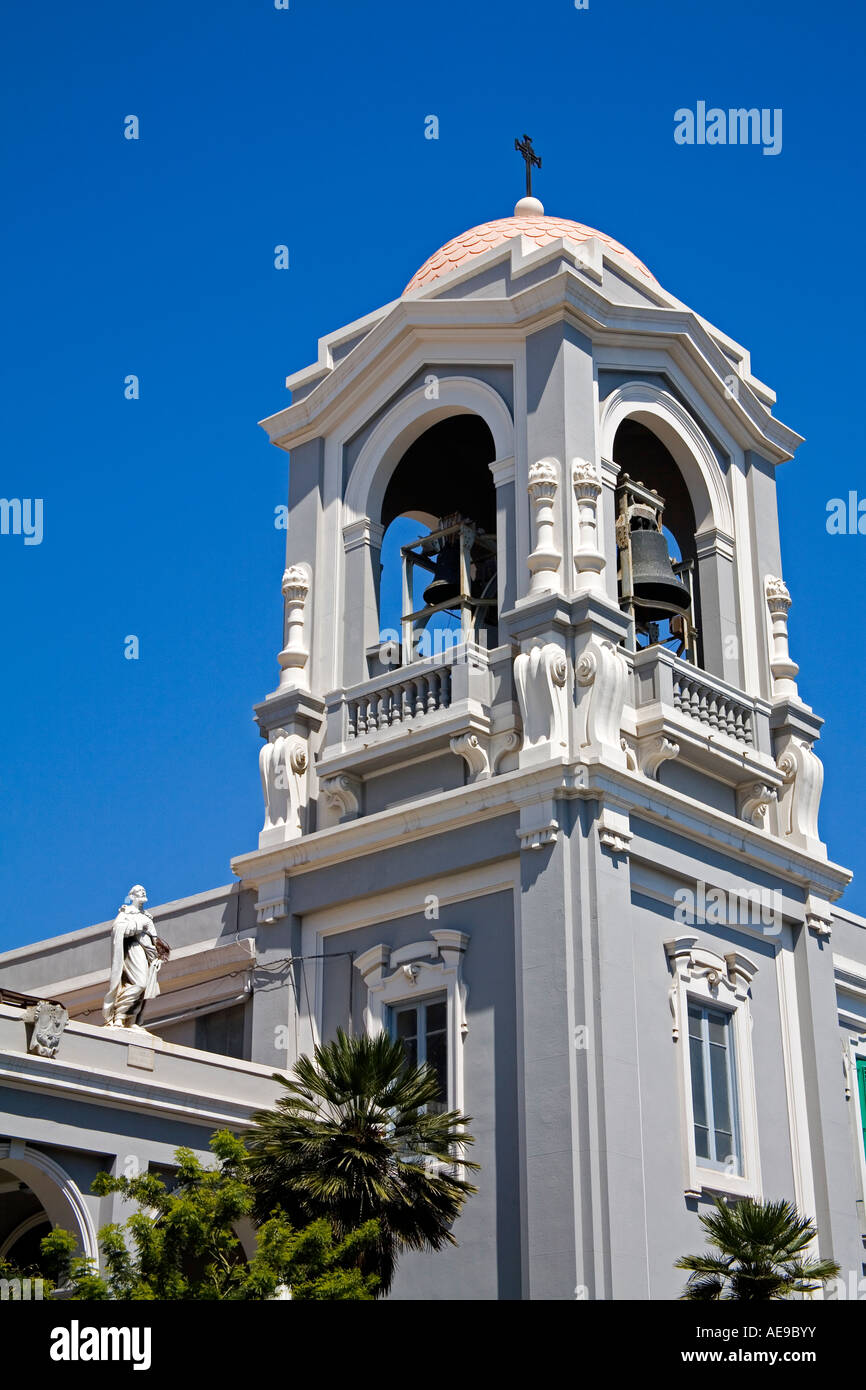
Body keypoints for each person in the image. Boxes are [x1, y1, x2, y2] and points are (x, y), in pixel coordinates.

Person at [102, 885, 167, 1030]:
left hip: (147, 954)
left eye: (144, 891)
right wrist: (139, 925)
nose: (143, 892)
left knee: (143, 988)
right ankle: (119, 1015)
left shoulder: (147, 917)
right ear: (132, 896)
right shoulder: (127, 912)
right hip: (133, 949)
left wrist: (157, 957)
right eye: (139, 891)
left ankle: (130, 1020)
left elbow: (154, 939)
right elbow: (118, 929)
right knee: (139, 984)